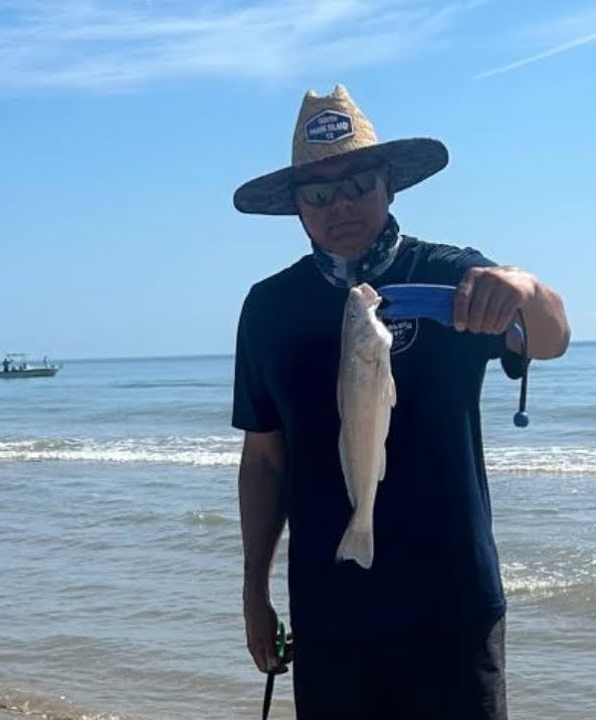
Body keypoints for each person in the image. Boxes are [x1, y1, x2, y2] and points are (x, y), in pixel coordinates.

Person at [230, 84, 571, 720]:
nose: (340, 206)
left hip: (453, 604)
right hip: (329, 609)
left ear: (388, 183)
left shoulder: (455, 278)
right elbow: (264, 461)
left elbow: (552, 340)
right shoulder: (269, 308)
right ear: (298, 208)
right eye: (319, 193)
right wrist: (255, 590)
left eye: (357, 181)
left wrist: (523, 287)